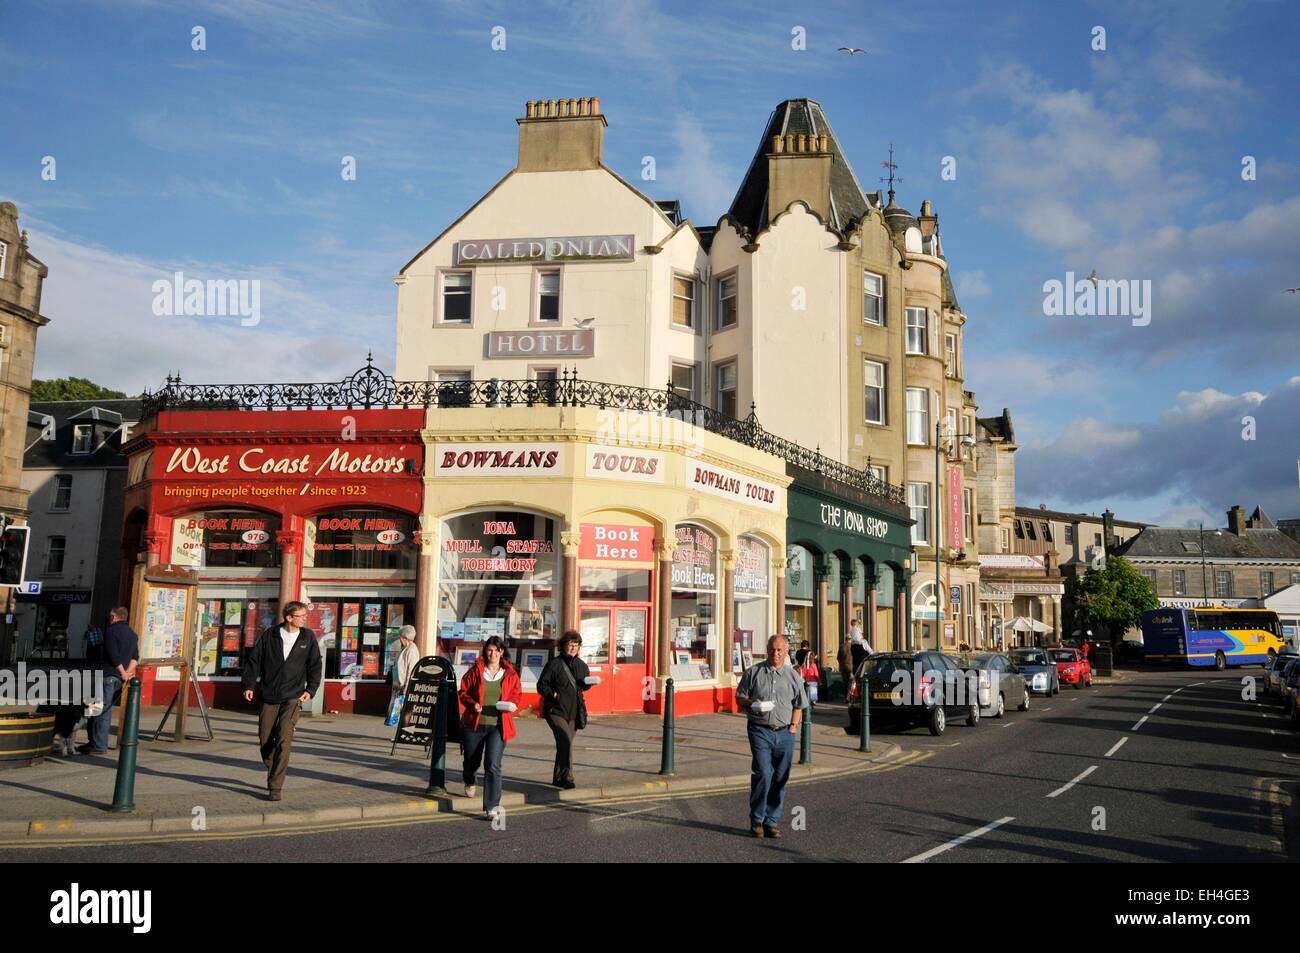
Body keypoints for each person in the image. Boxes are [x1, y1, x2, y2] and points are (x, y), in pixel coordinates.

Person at [241, 601, 322, 801]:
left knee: (284, 741)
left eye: (305, 615)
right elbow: (254, 661)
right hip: (269, 695)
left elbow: (315, 665)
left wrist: (311, 689)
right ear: (289, 618)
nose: (305, 618)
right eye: (301, 615)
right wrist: (249, 685)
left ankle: (275, 786)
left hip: (293, 697)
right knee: (265, 740)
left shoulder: (307, 637)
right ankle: (273, 768)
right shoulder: (270, 635)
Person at [735, 635, 807, 838]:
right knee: (763, 773)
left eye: (779, 650)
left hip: (785, 733)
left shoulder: (793, 676)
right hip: (760, 731)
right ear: (767, 650)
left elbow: (799, 704)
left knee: (780, 778)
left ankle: (771, 821)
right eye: (772, 650)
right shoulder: (754, 672)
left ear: (786, 652)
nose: (775, 654)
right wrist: (752, 704)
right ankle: (757, 820)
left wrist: (793, 727)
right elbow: (740, 697)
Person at [458, 636, 522, 816]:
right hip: (474, 724)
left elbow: (517, 694)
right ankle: (469, 780)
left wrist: (511, 704)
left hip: (498, 725)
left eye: (497, 650)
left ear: (502, 652)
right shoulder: (476, 671)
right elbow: (462, 692)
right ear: (485, 651)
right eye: (489, 650)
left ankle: (492, 806)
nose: (493, 654)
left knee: (493, 764)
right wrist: (473, 704)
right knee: (471, 761)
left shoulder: (510, 673)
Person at [535, 629, 591, 789]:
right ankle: (568, 778)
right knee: (566, 742)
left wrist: (588, 684)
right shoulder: (554, 664)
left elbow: (583, 687)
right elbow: (541, 685)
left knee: (563, 745)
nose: (573, 648)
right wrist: (551, 694)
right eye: (570, 644)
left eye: (576, 645)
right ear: (563, 646)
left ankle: (558, 778)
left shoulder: (582, 666)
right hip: (556, 711)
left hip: (573, 713)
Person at [81, 607, 138, 755]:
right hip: (119, 678)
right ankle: (93, 742)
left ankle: (98, 745)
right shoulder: (132, 634)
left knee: (100, 710)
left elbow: (113, 655)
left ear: (114, 617)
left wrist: (121, 671)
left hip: (107, 675)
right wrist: (127, 673)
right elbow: (135, 657)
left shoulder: (111, 631)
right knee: (96, 707)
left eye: (109, 617)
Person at [390, 625, 420, 714]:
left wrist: (407, 687)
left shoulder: (412, 650)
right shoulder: (405, 648)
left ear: (404, 637)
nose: (399, 639)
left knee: (402, 714)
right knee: (397, 715)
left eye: (400, 637)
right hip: (399, 687)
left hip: (404, 688)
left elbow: (412, 670)